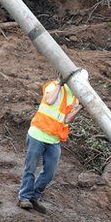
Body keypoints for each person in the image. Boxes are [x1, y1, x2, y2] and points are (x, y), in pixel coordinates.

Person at [18, 78, 82, 213]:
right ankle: (24, 197)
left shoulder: (75, 97)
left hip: (54, 139)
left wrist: (81, 106)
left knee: (49, 173)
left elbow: (67, 119)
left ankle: (34, 197)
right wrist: (60, 84)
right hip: (37, 134)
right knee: (30, 168)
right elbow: (49, 100)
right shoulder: (53, 86)